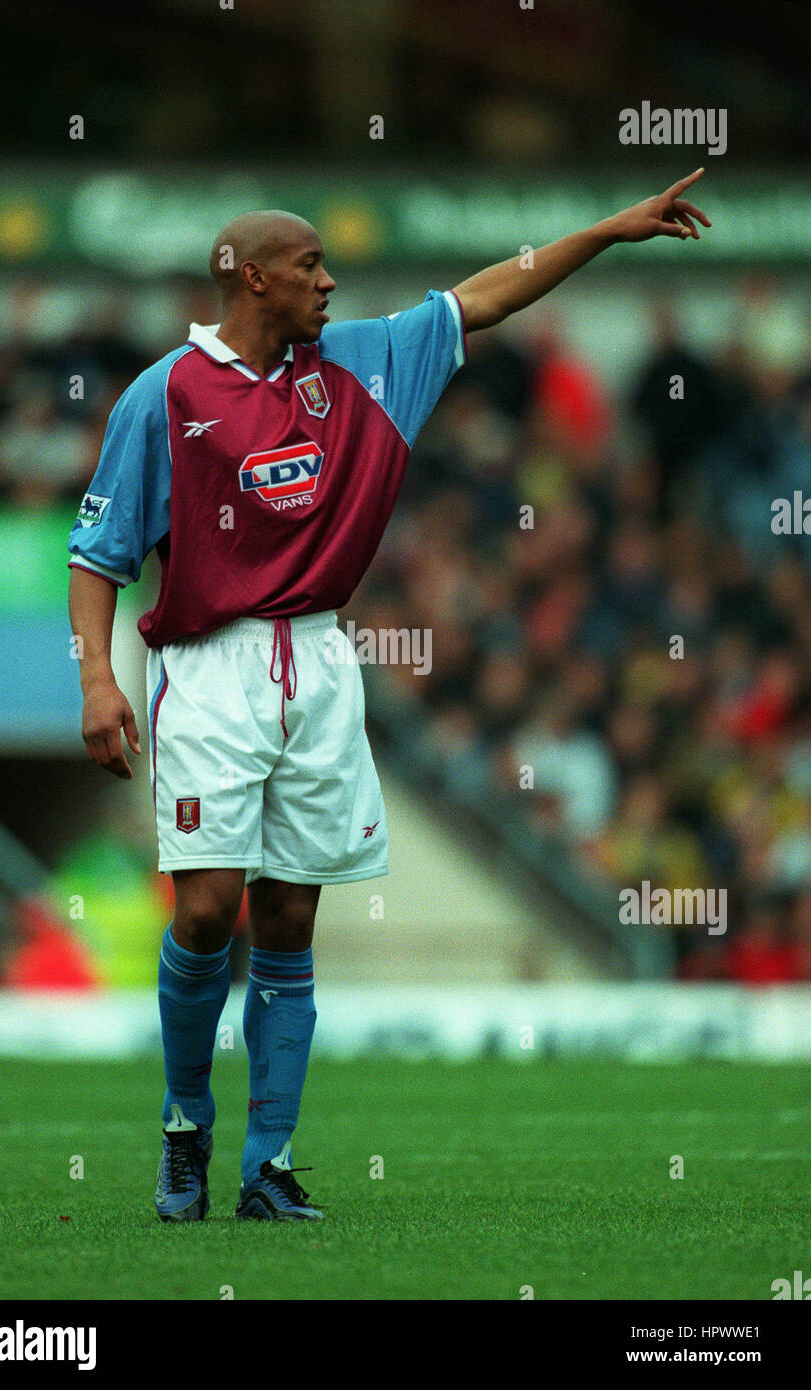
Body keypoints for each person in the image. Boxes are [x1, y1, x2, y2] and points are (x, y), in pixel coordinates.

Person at [67, 173, 711, 1223]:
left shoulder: (366, 363)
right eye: (311, 264)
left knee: (286, 920)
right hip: (209, 665)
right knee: (204, 907)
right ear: (256, 277)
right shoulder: (165, 394)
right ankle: (185, 1126)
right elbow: (96, 553)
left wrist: (607, 228)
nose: (330, 280)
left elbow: (491, 295)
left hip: (318, 664)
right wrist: (98, 676)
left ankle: (265, 1166)